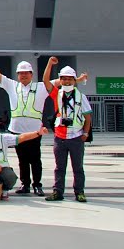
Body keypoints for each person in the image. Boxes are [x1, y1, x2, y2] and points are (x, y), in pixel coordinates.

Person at [0, 53, 48, 195]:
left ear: (32, 74)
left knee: (35, 159)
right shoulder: (13, 86)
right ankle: (25, 185)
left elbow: (60, 82)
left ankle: (37, 185)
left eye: (26, 73)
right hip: (17, 131)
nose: (23, 76)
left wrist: (77, 79)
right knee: (22, 160)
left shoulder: (41, 87)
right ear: (17, 75)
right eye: (21, 73)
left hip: (35, 131)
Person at [43, 60, 92, 203]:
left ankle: (80, 192)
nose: (66, 81)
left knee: (78, 167)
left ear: (74, 80)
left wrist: (85, 134)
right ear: (60, 80)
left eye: (69, 79)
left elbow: (87, 117)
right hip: (60, 137)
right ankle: (57, 192)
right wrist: (50, 64)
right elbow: (45, 80)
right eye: (63, 79)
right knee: (59, 168)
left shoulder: (81, 97)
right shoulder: (56, 94)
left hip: (76, 136)